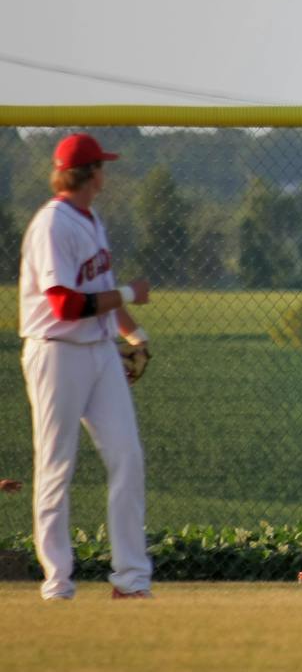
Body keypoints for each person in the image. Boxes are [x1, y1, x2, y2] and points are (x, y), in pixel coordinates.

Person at [19, 132, 155, 600]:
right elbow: (66, 305)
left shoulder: (91, 219)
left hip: (98, 351)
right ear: (90, 173)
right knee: (56, 465)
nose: (105, 174)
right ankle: (57, 582)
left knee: (127, 457)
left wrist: (135, 335)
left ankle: (131, 580)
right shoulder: (52, 224)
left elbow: (102, 294)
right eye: (102, 166)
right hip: (55, 350)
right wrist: (132, 292)